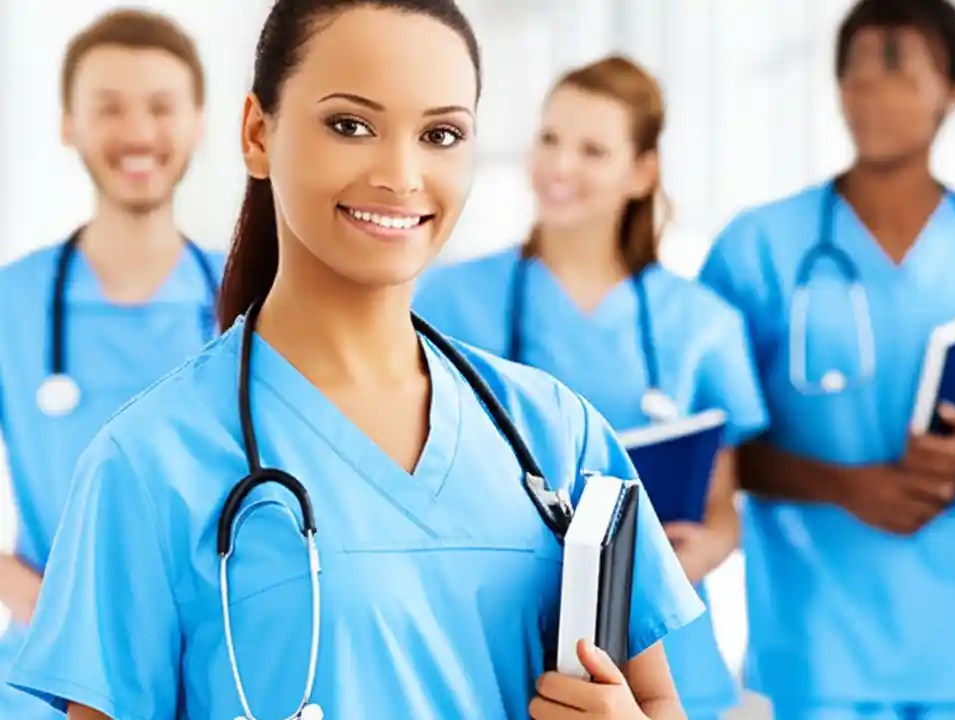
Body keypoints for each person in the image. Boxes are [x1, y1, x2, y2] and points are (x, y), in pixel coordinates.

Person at [6, 2, 702, 718]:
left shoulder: (555, 432)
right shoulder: (149, 461)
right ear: (257, 133)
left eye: (440, 134)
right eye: (350, 125)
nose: (401, 175)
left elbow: (655, 700)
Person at [698, 0, 955, 717]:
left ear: (954, 90)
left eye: (901, 70)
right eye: (858, 68)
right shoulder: (757, 247)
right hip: (816, 626)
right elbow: (711, 444)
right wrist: (845, 486)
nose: (873, 90)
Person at [414, 55, 769, 718]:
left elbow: (722, 510)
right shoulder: (449, 301)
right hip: (500, 638)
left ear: (642, 172)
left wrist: (695, 553)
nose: (560, 165)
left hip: (668, 658)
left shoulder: (701, 323)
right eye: (549, 139)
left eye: (592, 150)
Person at [0, 10, 222, 719]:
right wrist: (34, 600)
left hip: (215, 664)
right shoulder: (11, 302)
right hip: (48, 678)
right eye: (109, 108)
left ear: (200, 124)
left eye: (161, 106)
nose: (138, 132)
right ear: (68, 124)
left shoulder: (256, 303)